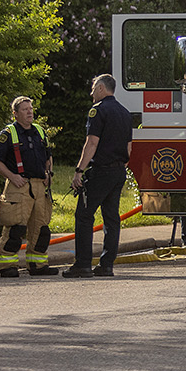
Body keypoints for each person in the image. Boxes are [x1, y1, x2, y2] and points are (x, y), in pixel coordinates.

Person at [64, 74, 134, 278]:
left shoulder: (98, 110)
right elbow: (129, 148)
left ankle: (83, 264)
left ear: (102, 88)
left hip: (101, 170)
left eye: (94, 88)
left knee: (84, 216)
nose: (91, 93)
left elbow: (92, 143)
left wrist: (79, 171)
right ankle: (106, 265)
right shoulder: (124, 112)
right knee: (112, 218)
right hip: (119, 170)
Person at [0, 96, 57, 278]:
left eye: (31, 109)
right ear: (15, 114)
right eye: (25, 109)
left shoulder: (40, 132)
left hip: (40, 185)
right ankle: (7, 266)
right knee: (15, 227)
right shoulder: (8, 133)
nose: (29, 112)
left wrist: (49, 174)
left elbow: (48, 157)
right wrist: (12, 176)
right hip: (19, 186)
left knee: (40, 228)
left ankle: (38, 265)